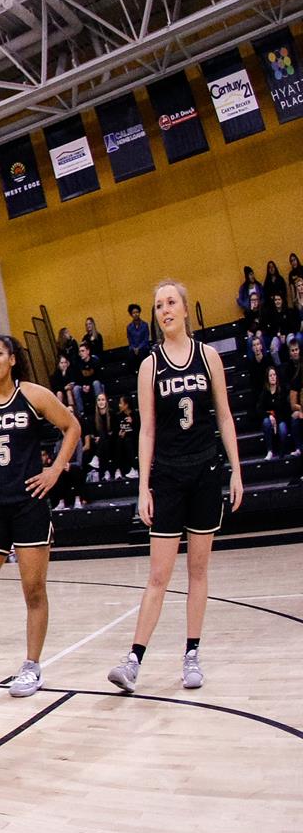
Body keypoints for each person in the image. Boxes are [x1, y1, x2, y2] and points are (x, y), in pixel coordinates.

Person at [108, 280, 243, 693]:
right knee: (157, 575)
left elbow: (223, 417)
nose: (164, 309)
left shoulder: (208, 357)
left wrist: (237, 470)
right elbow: (146, 430)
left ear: (185, 309)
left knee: (198, 570)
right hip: (167, 477)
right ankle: (133, 660)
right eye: (158, 305)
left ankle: (191, 656)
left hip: (205, 473)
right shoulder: (150, 365)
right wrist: (143, 486)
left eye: (170, 302)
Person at [0, 335, 81, 698]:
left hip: (29, 504)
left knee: (33, 590)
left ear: (12, 360)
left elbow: (72, 427)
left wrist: (54, 472)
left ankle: (32, 667)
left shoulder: (34, 395)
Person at [256, 364, 294, 457]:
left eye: (274, 375)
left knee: (283, 430)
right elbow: (259, 409)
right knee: (266, 422)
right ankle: (269, 450)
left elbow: (285, 408)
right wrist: (270, 415)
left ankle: (282, 451)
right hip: (270, 419)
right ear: (267, 378)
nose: (273, 377)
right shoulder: (265, 392)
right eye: (270, 375)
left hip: (281, 418)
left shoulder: (282, 390)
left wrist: (275, 416)